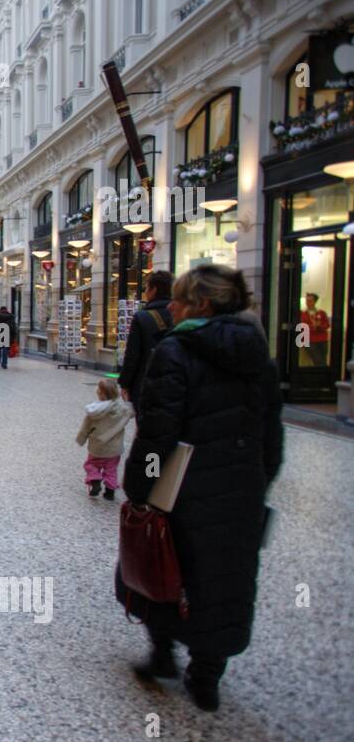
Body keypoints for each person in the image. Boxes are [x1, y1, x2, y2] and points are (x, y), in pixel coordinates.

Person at [119, 264, 283, 712]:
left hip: (180, 492)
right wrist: (254, 483)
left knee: (165, 564)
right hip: (241, 492)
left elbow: (158, 433)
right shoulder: (260, 356)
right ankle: (206, 676)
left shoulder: (176, 351)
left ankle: (162, 655)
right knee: (225, 579)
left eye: (179, 299)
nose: (169, 305)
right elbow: (272, 437)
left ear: (202, 305)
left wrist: (139, 485)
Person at [117, 271, 173, 418]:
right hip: (175, 380)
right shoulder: (181, 314)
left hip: (145, 381)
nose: (145, 292)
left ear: (154, 290)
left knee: (146, 423)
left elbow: (132, 354)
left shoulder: (142, 317)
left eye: (147, 288)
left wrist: (125, 383)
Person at [75, 377, 132, 500]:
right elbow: (131, 412)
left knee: (91, 465)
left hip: (97, 447)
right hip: (114, 449)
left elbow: (85, 427)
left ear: (99, 393)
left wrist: (81, 439)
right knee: (111, 470)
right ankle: (110, 492)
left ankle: (95, 480)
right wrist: (127, 400)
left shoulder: (94, 410)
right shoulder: (122, 409)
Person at [299, 292, 330, 367]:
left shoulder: (321, 313)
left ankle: (322, 375)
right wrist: (313, 327)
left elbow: (327, 325)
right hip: (309, 340)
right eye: (307, 300)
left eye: (310, 300)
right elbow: (302, 326)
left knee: (323, 359)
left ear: (314, 301)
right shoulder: (302, 313)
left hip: (322, 339)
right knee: (317, 359)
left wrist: (319, 326)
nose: (308, 302)